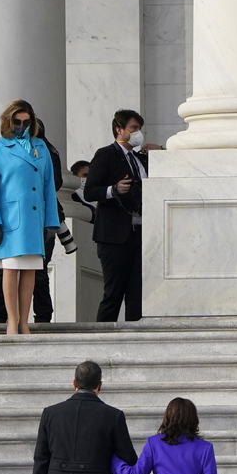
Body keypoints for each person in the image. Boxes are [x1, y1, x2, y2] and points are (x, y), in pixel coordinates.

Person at [0, 100, 57, 335]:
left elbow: (49, 187)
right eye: (17, 121)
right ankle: (12, 322)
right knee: (10, 269)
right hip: (10, 218)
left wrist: (51, 221)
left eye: (26, 122)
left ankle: (24, 322)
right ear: (8, 121)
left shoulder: (41, 147)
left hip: (34, 218)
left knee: (30, 270)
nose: (22, 126)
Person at [85, 109, 150, 322]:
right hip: (113, 237)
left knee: (137, 296)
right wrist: (113, 190)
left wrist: (161, 151)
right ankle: (101, 341)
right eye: (133, 128)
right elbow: (90, 191)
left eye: (139, 128)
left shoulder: (141, 159)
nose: (138, 133)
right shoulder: (106, 154)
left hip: (140, 236)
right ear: (119, 130)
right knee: (113, 294)